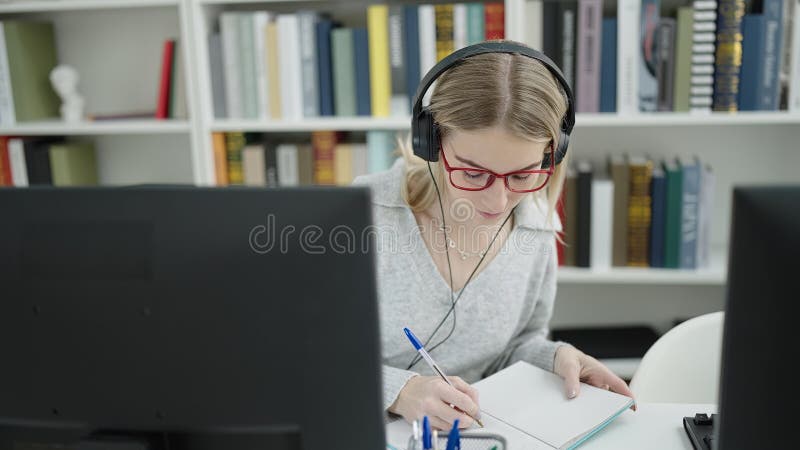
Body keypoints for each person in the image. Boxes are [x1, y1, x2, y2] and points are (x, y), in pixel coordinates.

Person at [353, 41, 634, 431]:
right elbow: (309, 351)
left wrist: (557, 357)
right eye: (472, 173)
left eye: (522, 175)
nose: (499, 200)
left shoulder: (536, 224)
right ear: (433, 143)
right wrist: (403, 391)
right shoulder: (365, 214)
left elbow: (517, 345)